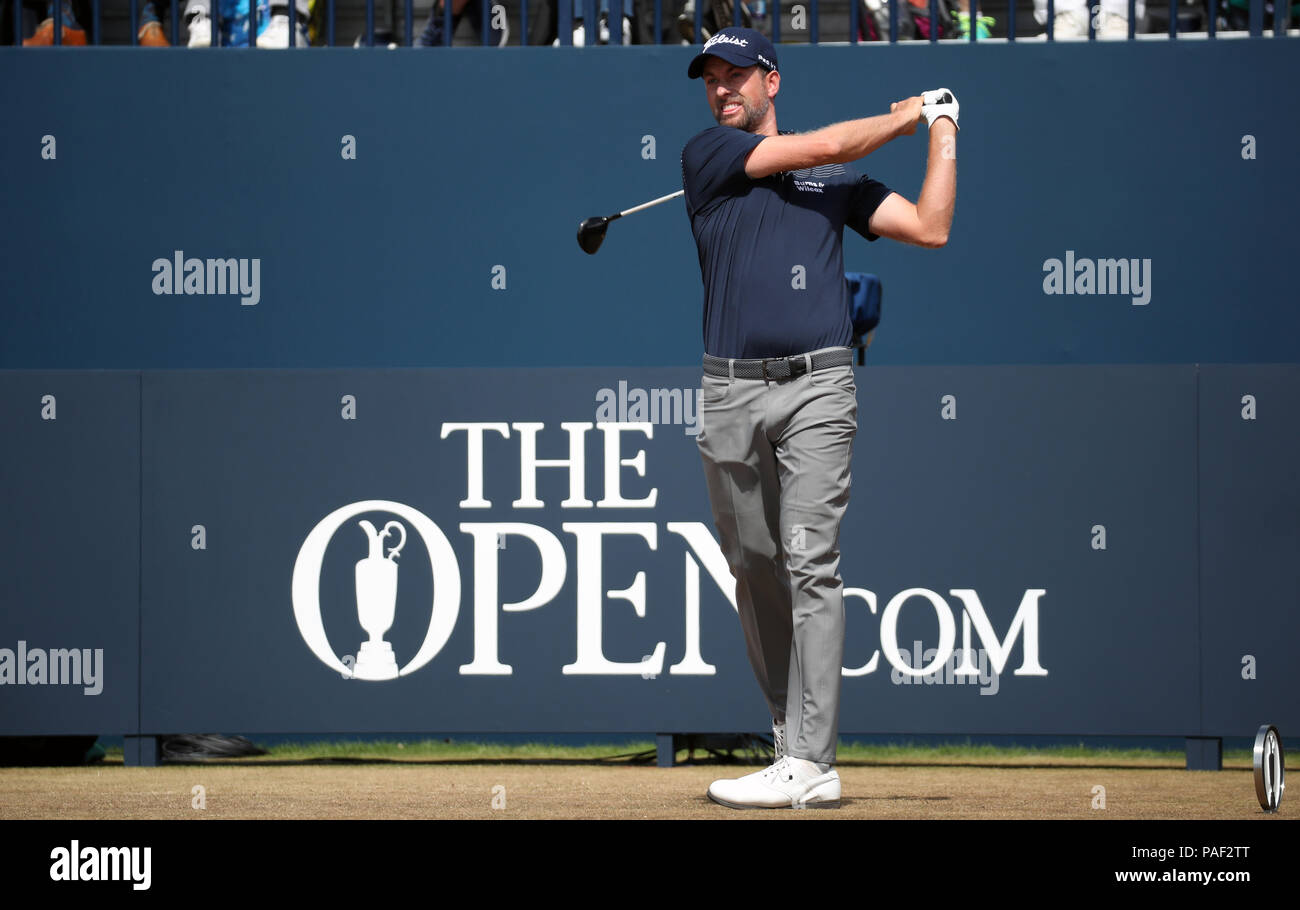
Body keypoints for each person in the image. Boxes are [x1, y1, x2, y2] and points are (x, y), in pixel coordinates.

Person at [681, 27, 957, 809]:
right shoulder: (707, 155)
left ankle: (813, 758)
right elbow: (817, 146)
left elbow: (930, 227)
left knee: (811, 560)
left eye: (737, 75)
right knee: (755, 567)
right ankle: (788, 740)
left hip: (820, 388)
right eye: (712, 78)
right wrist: (905, 115)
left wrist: (943, 128)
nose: (723, 89)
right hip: (731, 390)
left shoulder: (832, 174)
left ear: (773, 79)